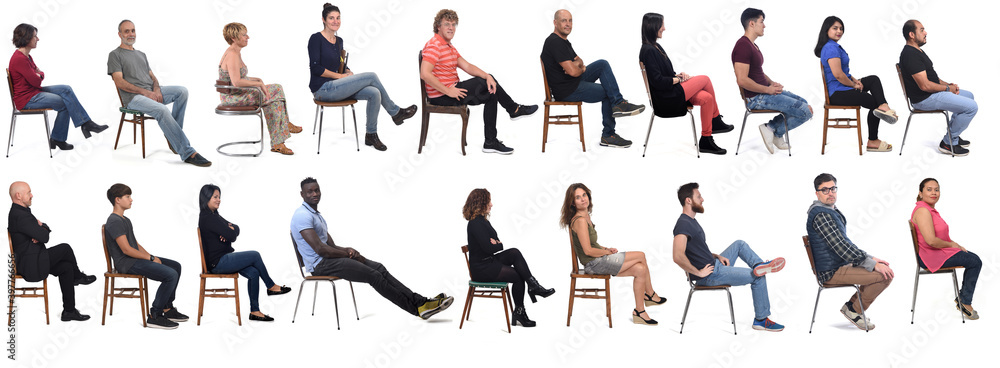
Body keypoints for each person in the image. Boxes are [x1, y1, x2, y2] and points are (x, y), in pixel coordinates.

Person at [291, 177, 453, 319]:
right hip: (320, 265)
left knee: (379, 268)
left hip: (329, 260)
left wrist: (348, 249)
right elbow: (321, 250)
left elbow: (331, 245)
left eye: (317, 190)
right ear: (302, 195)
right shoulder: (302, 215)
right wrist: (346, 255)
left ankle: (421, 302)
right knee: (373, 275)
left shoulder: (316, 215)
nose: (315, 194)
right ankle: (417, 309)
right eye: (310, 192)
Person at [671, 183, 786, 331]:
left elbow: (696, 250)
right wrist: (698, 273)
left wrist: (717, 256)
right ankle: (761, 320)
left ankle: (758, 265)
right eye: (699, 197)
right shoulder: (683, 224)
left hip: (714, 264)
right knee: (759, 277)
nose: (702, 199)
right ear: (688, 200)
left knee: (739, 244)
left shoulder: (691, 222)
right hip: (710, 275)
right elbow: (677, 256)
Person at [421, 9, 538, 155]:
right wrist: (448, 91)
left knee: (491, 90)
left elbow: (468, 66)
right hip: (442, 96)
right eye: (447, 24)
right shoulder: (434, 45)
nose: (451, 28)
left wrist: (488, 75)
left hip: (453, 90)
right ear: (438, 26)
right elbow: (425, 74)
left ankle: (490, 142)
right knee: (485, 84)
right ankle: (514, 109)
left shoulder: (448, 47)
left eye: (453, 24)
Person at [309, 3, 416, 151]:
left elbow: (340, 64)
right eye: (331, 18)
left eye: (338, 18)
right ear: (323, 19)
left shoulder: (338, 41)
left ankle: (371, 135)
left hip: (338, 87)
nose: (336, 21)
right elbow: (316, 68)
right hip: (323, 90)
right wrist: (340, 76)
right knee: (372, 76)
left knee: (374, 93)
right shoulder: (316, 39)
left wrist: (347, 71)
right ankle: (396, 112)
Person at [108, 20, 211, 166]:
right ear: (119, 34)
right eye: (127, 31)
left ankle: (173, 138)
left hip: (150, 92)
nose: (131, 34)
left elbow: (152, 77)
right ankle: (188, 152)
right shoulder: (115, 55)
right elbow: (119, 82)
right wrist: (145, 92)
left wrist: (155, 89)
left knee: (182, 91)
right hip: (133, 98)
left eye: (133, 30)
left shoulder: (141, 54)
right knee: (162, 110)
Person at [559, 183, 665, 325]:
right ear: (572, 203)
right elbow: (588, 251)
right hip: (594, 264)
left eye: (584, 195)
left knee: (641, 269)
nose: (583, 199)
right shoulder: (580, 221)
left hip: (599, 260)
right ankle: (650, 295)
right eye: (578, 197)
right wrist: (605, 252)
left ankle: (639, 311)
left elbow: (591, 244)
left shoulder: (586, 218)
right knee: (641, 255)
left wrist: (606, 248)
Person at [542, 9, 645, 148]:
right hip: (567, 90)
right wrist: (575, 68)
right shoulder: (554, 42)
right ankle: (608, 135)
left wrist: (577, 67)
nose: (568, 24)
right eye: (563, 20)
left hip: (572, 82)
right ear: (555, 22)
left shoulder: (564, 42)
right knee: (609, 92)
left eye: (570, 20)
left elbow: (579, 62)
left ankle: (619, 104)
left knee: (602, 64)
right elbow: (573, 71)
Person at [806, 173, 893, 330]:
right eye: (824, 190)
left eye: (833, 188)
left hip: (839, 265)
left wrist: (871, 258)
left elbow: (845, 243)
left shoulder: (829, 210)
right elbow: (841, 247)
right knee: (884, 275)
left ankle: (852, 308)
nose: (830, 193)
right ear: (817, 193)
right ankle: (854, 310)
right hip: (831, 271)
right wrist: (872, 264)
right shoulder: (821, 215)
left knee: (883, 269)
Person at [639, 13, 733, 155]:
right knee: (705, 79)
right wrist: (679, 80)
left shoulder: (656, 47)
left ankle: (706, 140)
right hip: (666, 99)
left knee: (707, 98)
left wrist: (677, 76)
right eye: (661, 25)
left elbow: (664, 74)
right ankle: (716, 120)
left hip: (671, 91)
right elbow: (657, 82)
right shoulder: (648, 50)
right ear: (653, 27)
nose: (664, 28)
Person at [198, 184, 291, 322]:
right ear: (206, 198)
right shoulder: (208, 218)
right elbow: (232, 236)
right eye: (215, 197)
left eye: (219, 197)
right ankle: (271, 286)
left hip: (224, 259)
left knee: (253, 273)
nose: (219, 200)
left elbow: (236, 229)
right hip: (218, 263)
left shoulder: (214, 215)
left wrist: (230, 230)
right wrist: (228, 232)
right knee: (255, 255)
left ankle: (255, 311)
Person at [463, 188, 554, 327]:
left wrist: (496, 243)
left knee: (514, 252)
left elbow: (497, 241)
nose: (491, 204)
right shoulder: (475, 223)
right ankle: (520, 310)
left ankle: (532, 285)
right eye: (489, 201)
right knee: (518, 276)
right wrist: (495, 244)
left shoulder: (483, 221)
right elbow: (490, 248)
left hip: (488, 262)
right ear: (480, 203)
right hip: (481, 269)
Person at [8, 24, 108, 151]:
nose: (37, 39)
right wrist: (39, 74)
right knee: (65, 102)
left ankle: (86, 124)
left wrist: (39, 74)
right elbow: (36, 80)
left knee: (66, 89)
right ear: (27, 38)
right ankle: (60, 137)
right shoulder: (19, 59)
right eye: (35, 36)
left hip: (33, 92)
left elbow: (37, 76)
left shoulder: (26, 56)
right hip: (27, 99)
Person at [8, 181, 96, 322]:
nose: (32, 195)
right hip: (31, 265)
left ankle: (69, 311)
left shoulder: (20, 212)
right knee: (65, 248)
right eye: (28, 193)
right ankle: (78, 276)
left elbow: (41, 232)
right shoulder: (21, 216)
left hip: (33, 260)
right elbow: (44, 237)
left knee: (66, 267)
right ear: (18, 196)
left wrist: (41, 227)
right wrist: (42, 230)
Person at [104, 183, 188, 329]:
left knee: (175, 266)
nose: (131, 200)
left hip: (134, 259)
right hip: (127, 263)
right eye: (128, 196)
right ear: (117, 200)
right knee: (171, 275)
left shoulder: (125, 220)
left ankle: (167, 308)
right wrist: (149, 259)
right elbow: (126, 250)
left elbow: (135, 244)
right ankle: (155, 315)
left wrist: (151, 256)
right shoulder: (114, 221)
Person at [732, 8, 813, 154]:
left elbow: (758, 72)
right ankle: (774, 131)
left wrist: (771, 83)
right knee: (805, 111)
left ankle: (771, 129)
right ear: (751, 23)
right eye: (761, 22)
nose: (764, 25)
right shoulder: (743, 46)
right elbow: (742, 80)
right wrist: (767, 90)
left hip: (763, 92)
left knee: (805, 104)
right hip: (755, 98)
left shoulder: (752, 45)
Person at [815, 16, 898, 153]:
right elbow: (838, 75)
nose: (839, 31)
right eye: (835, 28)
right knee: (874, 103)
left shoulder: (833, 46)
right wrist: (853, 86)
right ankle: (873, 140)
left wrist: (854, 80)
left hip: (843, 87)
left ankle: (884, 106)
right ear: (826, 30)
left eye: (841, 28)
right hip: (838, 93)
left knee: (873, 79)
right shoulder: (830, 48)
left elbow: (843, 72)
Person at [219, 22, 302, 155]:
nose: (248, 37)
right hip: (233, 97)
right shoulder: (232, 55)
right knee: (273, 96)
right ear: (234, 38)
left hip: (240, 94)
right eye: (244, 35)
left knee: (276, 89)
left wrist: (259, 80)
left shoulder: (236, 52)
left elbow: (241, 77)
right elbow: (236, 82)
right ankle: (278, 140)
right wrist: (258, 85)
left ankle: (281, 135)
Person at [899, 20, 977, 156]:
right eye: (922, 30)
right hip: (924, 98)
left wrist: (949, 85)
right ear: (912, 34)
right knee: (971, 107)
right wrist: (947, 89)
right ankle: (948, 142)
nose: (926, 33)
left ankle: (953, 136)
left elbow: (932, 78)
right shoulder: (910, 55)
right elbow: (925, 85)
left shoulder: (918, 51)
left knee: (969, 96)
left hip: (931, 94)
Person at [910, 178, 981, 319]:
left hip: (938, 252)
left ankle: (962, 299)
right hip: (931, 256)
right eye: (929, 189)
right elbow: (931, 241)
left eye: (936, 189)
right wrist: (951, 245)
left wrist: (955, 244)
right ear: (920, 192)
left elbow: (940, 236)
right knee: (975, 261)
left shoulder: (929, 209)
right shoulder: (923, 211)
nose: (934, 192)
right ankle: (964, 302)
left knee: (973, 258)